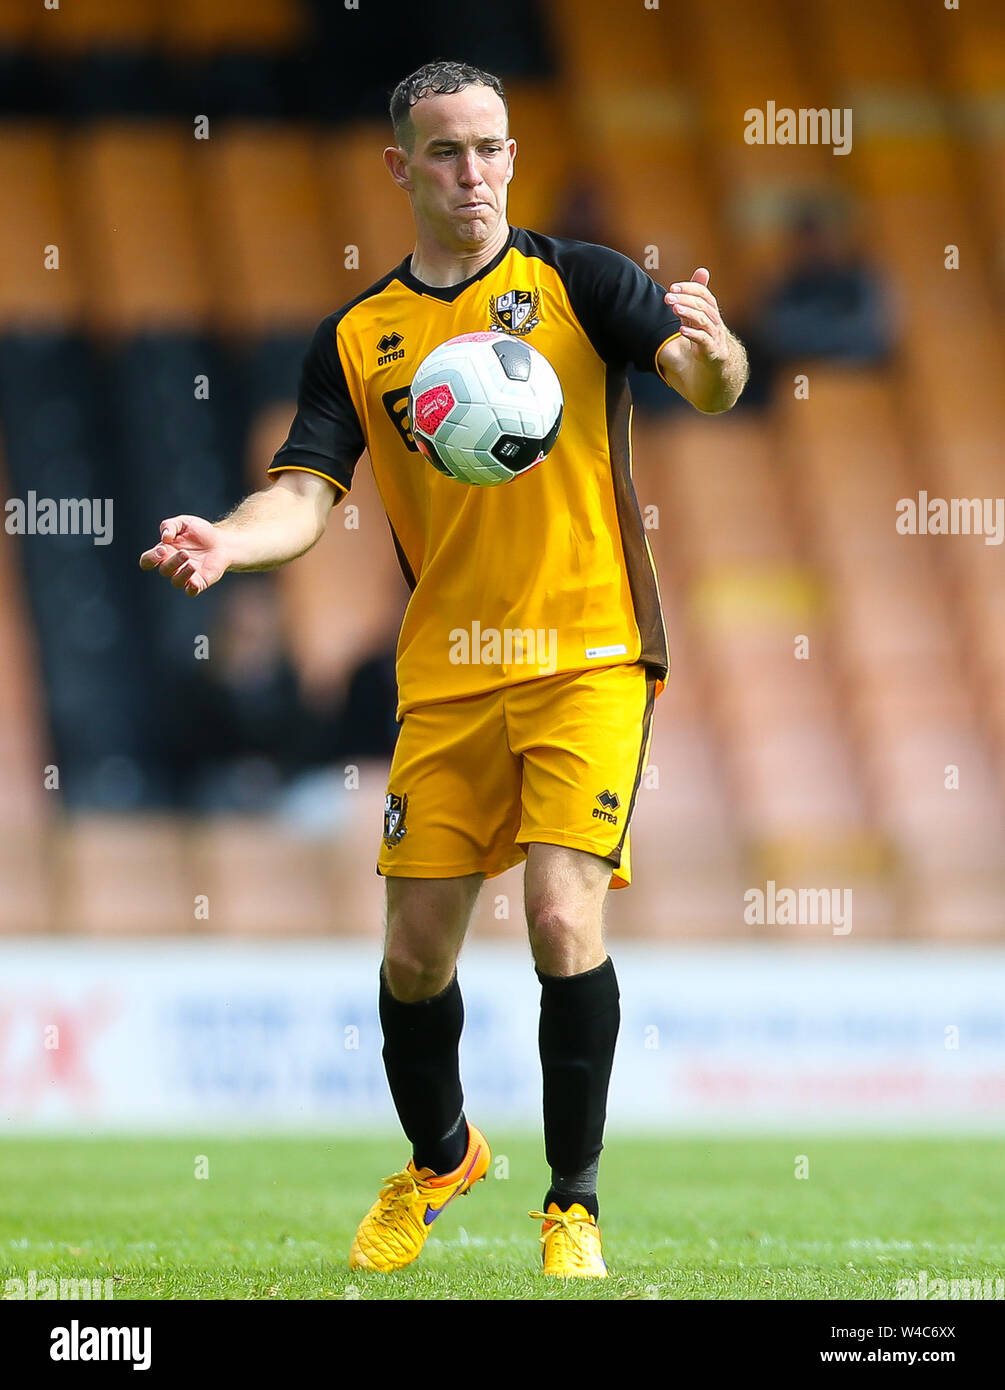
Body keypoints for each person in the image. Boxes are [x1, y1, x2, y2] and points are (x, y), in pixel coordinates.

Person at [139, 59, 748, 1278]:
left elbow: (707, 388)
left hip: (588, 653)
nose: (475, 174)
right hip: (451, 674)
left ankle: (570, 1203)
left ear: (513, 154)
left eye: (492, 148)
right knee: (415, 955)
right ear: (400, 166)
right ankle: (442, 1158)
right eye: (448, 153)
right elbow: (302, 497)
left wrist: (719, 351)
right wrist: (229, 543)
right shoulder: (361, 338)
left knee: (564, 915)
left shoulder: (581, 280)